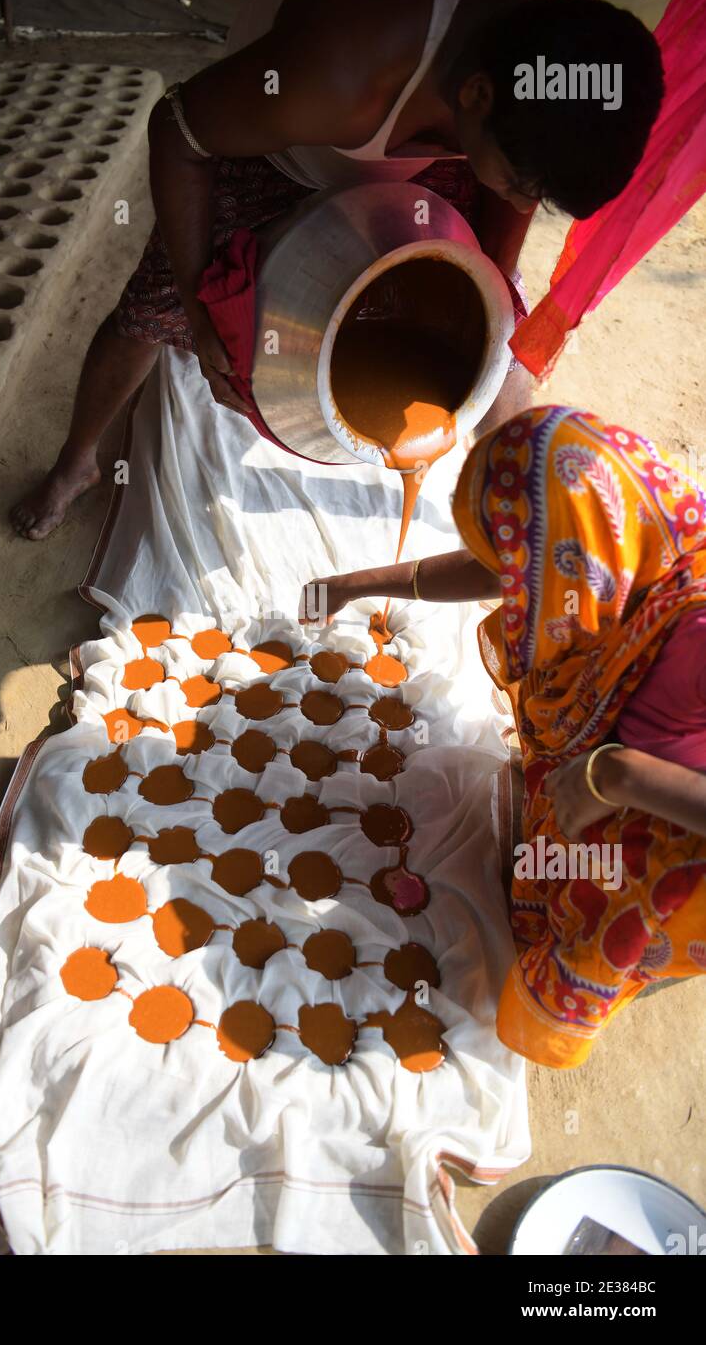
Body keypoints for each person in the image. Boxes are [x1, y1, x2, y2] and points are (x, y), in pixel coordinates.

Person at [11, 0, 664, 539]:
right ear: (475, 96)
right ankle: (77, 462)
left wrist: (491, 284)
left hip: (454, 140)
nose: (525, 205)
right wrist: (194, 295)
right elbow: (179, 131)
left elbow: (514, 192)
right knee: (152, 312)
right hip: (280, 148)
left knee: (499, 324)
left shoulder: (580, 60)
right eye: (524, 186)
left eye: (538, 195)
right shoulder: (335, 73)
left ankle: (518, 520)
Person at [298, 407, 706, 1068]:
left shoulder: (695, 634)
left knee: (600, 926)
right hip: (638, 763)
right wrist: (354, 585)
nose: (516, 589)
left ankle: (612, 959)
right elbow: (506, 566)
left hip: (685, 838)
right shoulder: (636, 524)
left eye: (519, 564)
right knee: (560, 832)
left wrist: (617, 777)